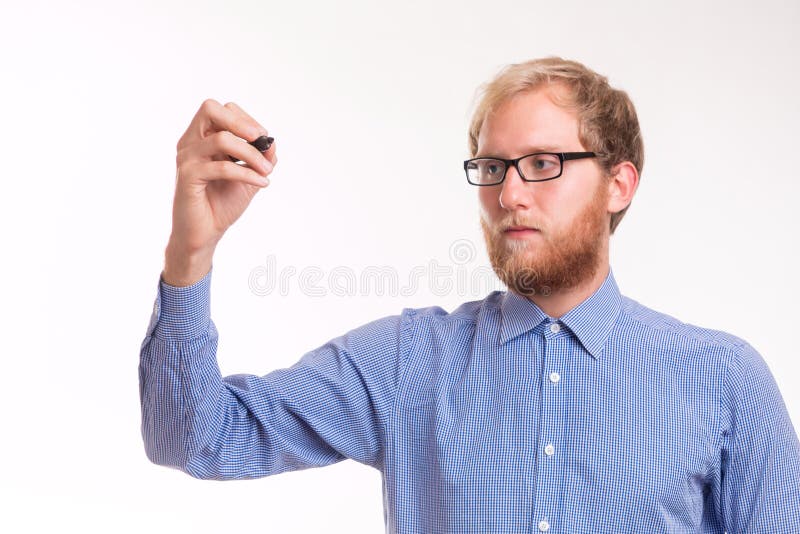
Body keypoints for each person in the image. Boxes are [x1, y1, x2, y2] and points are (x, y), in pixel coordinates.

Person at [139, 57, 800, 533]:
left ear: (618, 184)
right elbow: (196, 438)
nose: (509, 195)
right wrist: (189, 252)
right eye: (492, 168)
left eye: (543, 164)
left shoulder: (724, 379)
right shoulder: (407, 361)